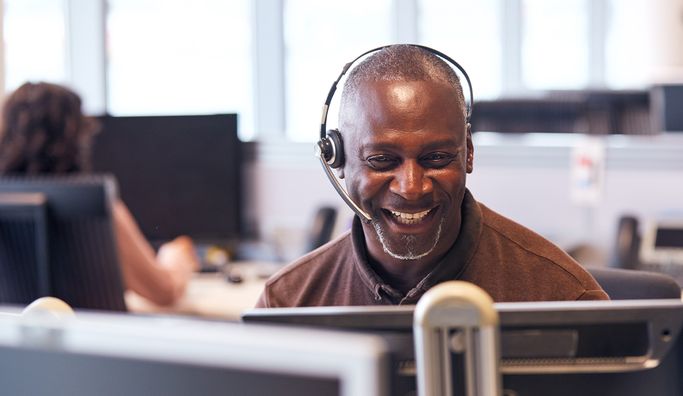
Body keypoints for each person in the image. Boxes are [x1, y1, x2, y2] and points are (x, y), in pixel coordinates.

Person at [257, 45, 608, 308]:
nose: (411, 187)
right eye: (382, 161)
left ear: (468, 153)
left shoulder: (563, 296)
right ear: (338, 159)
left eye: (436, 158)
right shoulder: (289, 302)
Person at [0, 81, 199, 306]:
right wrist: (176, 255)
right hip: (95, 340)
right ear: (76, 136)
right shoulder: (93, 205)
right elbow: (164, 292)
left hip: (15, 340)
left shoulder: (5, 202)